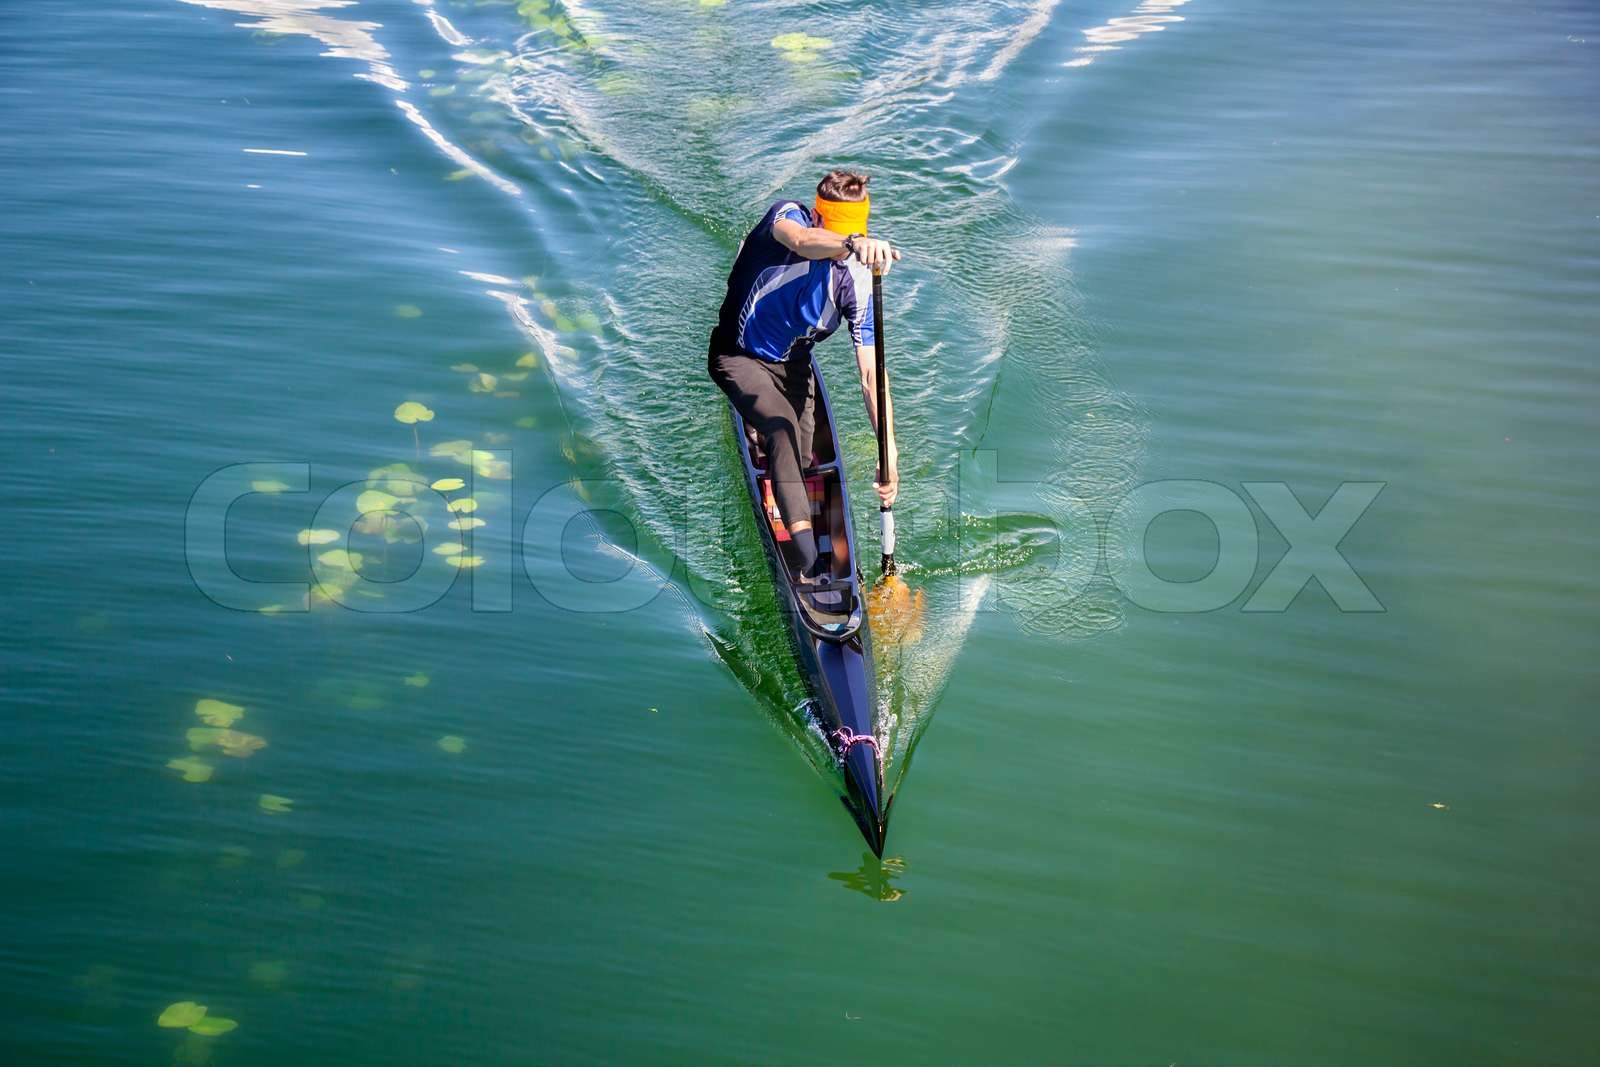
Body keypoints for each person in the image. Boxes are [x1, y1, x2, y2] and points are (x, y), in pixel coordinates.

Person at [707, 170, 901, 610]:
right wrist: (849, 244)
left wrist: (889, 452)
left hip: (794, 365)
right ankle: (807, 564)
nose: (845, 247)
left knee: (806, 458)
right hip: (738, 354)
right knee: (781, 430)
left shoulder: (857, 283)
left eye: (854, 235)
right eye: (837, 233)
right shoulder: (786, 218)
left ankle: (782, 472)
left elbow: (872, 377)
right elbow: (800, 241)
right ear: (817, 215)